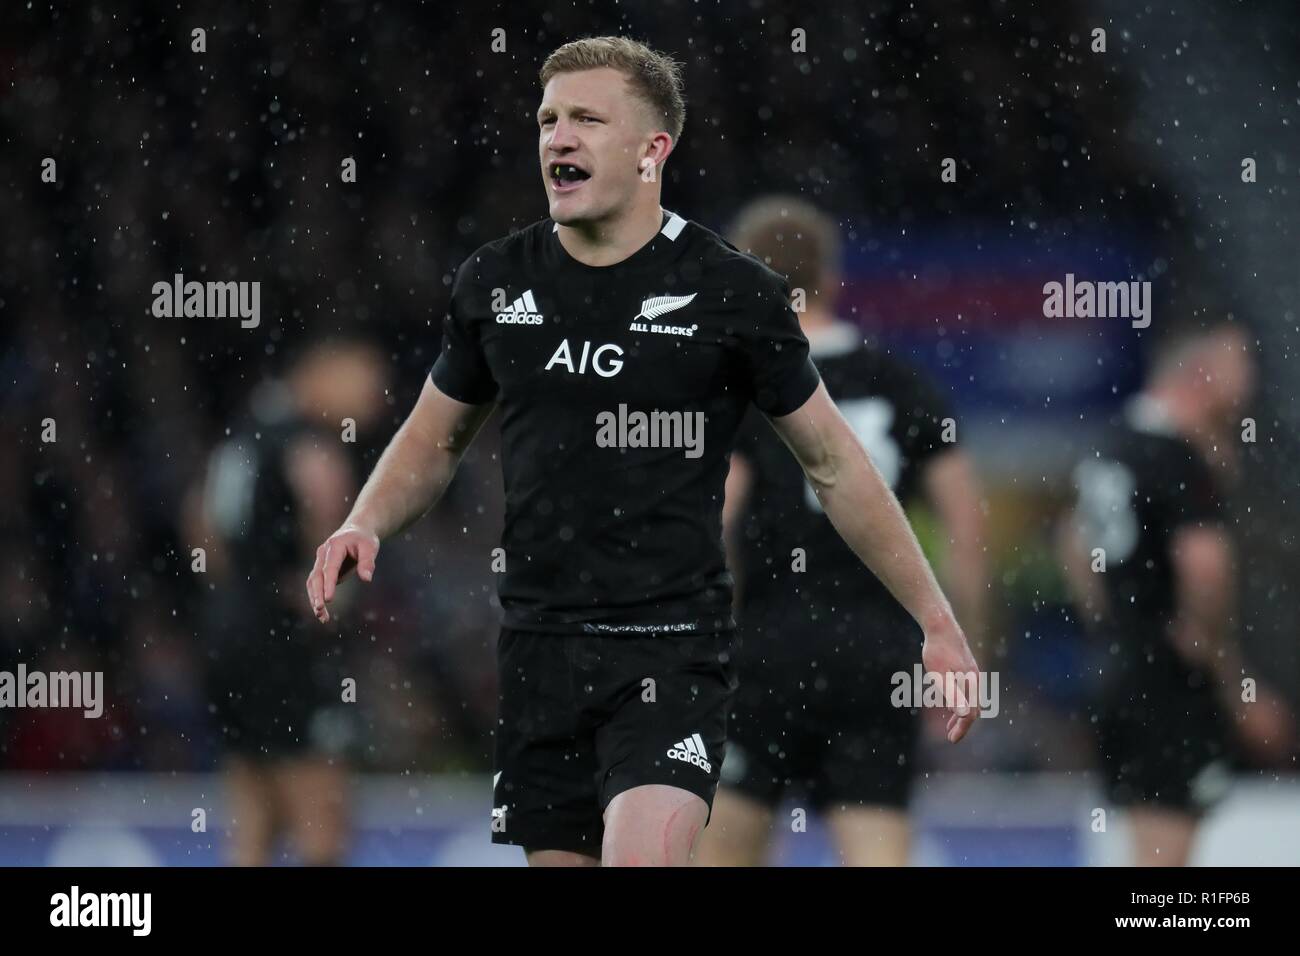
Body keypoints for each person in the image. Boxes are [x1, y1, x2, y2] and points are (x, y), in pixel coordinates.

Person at [305, 36, 981, 867]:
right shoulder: (495, 282)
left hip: (670, 650)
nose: (559, 137)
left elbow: (836, 464)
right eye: (549, 119)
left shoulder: (732, 293)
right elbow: (436, 435)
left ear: (653, 148)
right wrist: (365, 521)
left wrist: (936, 620)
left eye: (588, 118)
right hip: (538, 650)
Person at [694, 196, 988, 866]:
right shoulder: (902, 383)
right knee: (877, 842)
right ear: (830, 277)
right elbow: (967, 528)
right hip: (877, 652)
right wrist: (966, 648)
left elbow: (718, 527)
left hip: (767, 646)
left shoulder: (743, 388)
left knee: (722, 851)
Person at [1057, 323, 1293, 866]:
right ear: (1202, 376)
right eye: (1240, 370)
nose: (1249, 388)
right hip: (1168, 678)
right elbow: (1205, 566)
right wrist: (1226, 671)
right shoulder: (1176, 457)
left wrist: (1114, 621)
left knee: (1148, 847)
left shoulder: (1112, 445)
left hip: (1118, 669)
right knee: (1168, 862)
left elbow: (1073, 542)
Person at [186, 341, 386, 865]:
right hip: (284, 640)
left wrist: (239, 595)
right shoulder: (309, 442)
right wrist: (325, 603)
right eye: (365, 384)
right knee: (323, 825)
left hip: (229, 634)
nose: (374, 402)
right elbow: (326, 504)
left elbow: (201, 526)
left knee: (252, 823)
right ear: (322, 372)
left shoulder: (242, 435)